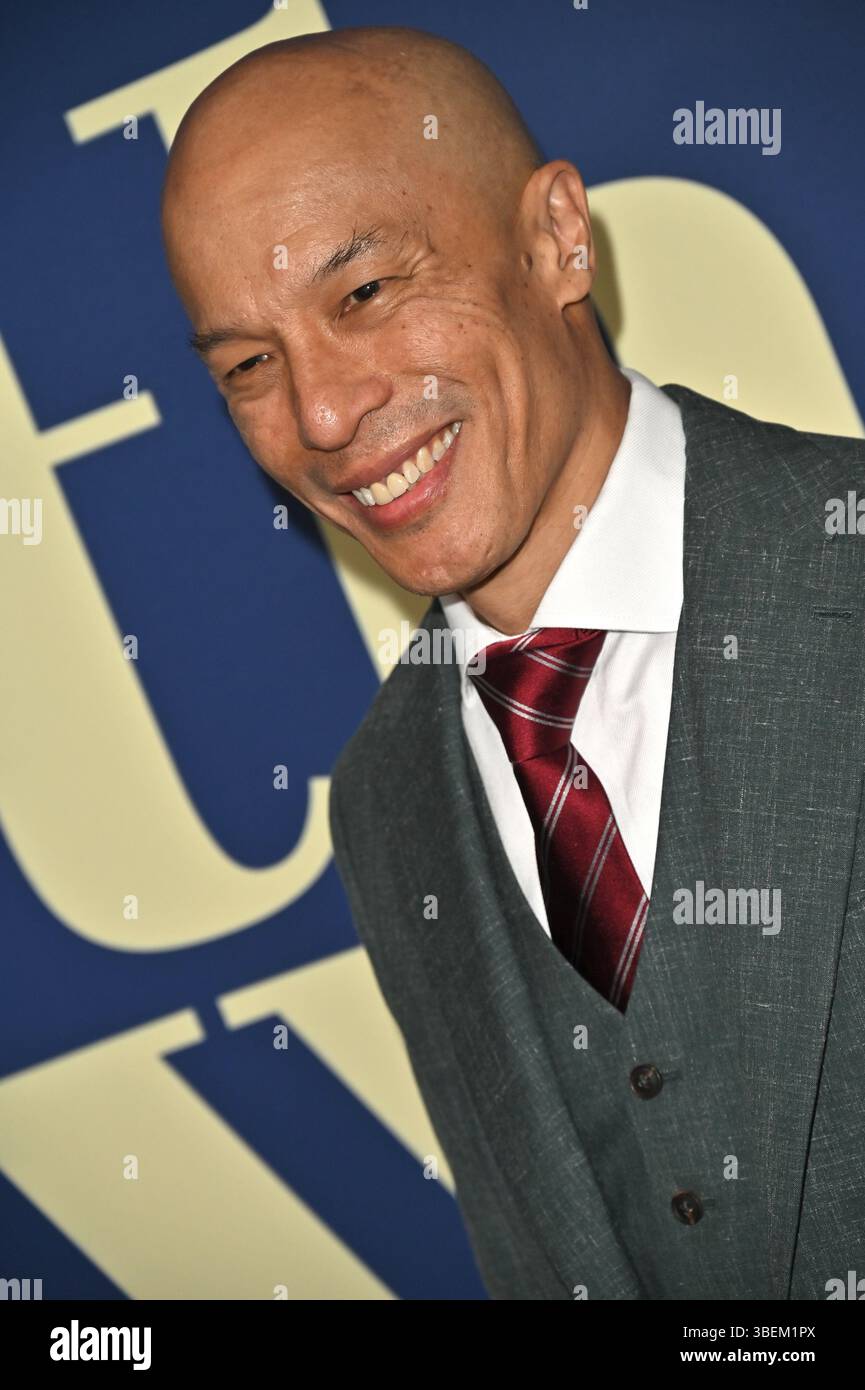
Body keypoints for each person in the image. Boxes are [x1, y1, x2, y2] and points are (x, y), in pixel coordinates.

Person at [161, 26, 865, 1300]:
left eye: (363, 293)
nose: (322, 412)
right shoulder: (386, 803)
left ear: (555, 240)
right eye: (250, 366)